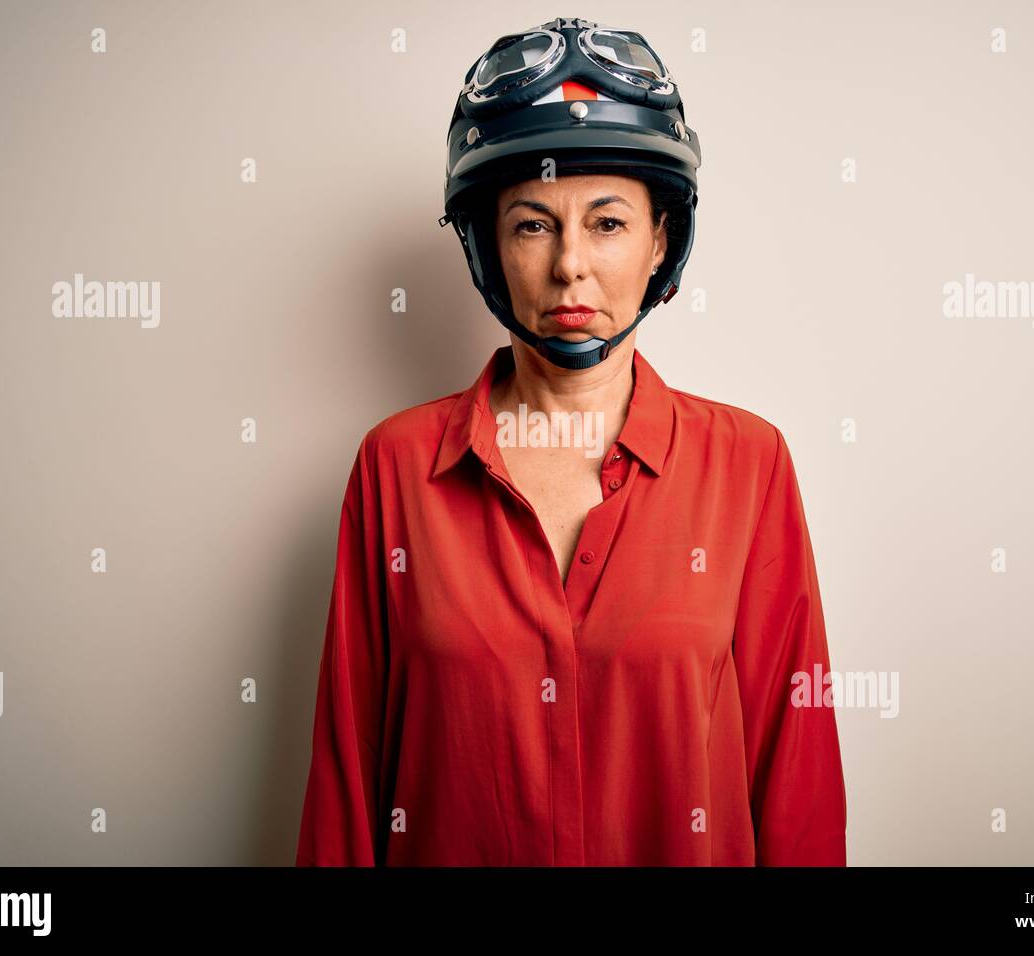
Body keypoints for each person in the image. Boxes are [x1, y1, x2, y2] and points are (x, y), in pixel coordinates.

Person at [296, 17, 846, 866]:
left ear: (662, 239)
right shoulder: (394, 468)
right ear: (484, 245)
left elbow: (797, 778)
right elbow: (345, 783)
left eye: (609, 223)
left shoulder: (749, 464)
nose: (570, 267)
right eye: (531, 225)